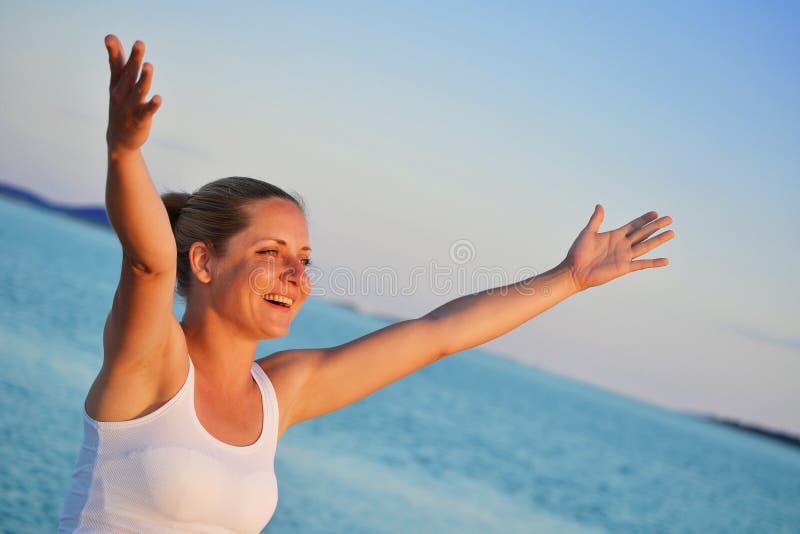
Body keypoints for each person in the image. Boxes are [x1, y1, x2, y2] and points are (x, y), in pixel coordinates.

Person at [59, 35, 675, 532]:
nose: (295, 275)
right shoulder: (152, 362)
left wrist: (567, 279)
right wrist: (123, 151)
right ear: (203, 262)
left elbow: (437, 334)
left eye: (303, 257)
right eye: (270, 252)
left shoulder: (282, 392)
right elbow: (147, 262)